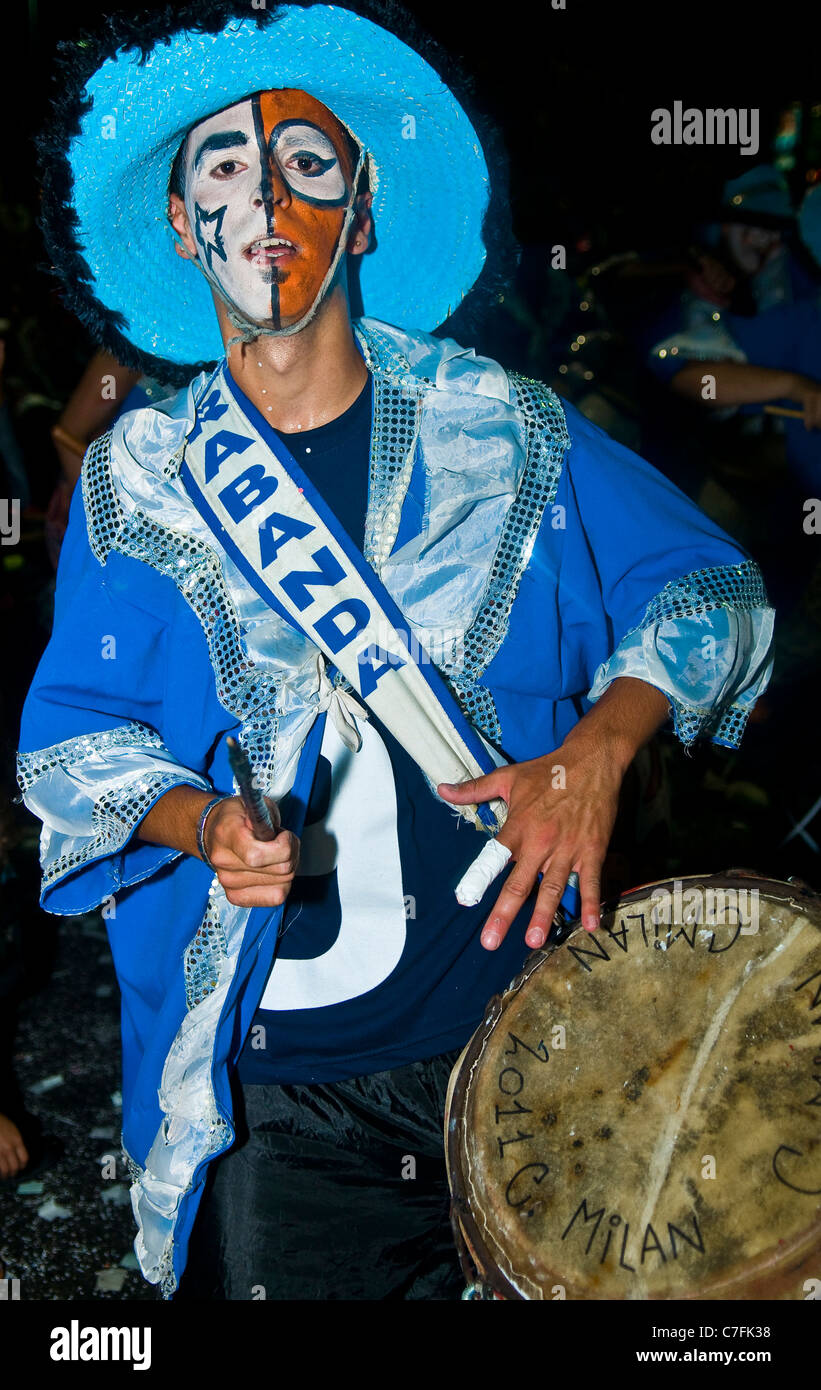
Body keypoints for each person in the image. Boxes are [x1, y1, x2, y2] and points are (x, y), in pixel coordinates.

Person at [18, 0, 774, 1300]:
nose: (265, 198)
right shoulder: (136, 483)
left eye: (306, 164)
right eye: (223, 169)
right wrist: (200, 823)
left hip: (523, 1040)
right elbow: (72, 744)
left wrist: (599, 748)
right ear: (182, 225)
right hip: (279, 1088)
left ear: (359, 214)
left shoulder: (501, 426)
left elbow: (707, 587)